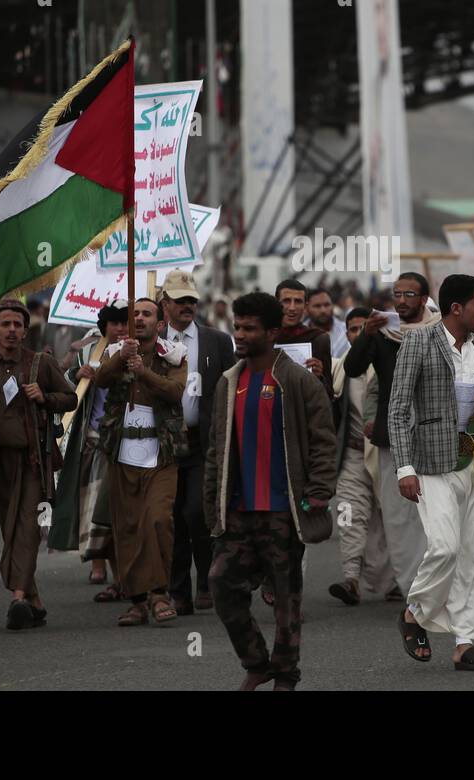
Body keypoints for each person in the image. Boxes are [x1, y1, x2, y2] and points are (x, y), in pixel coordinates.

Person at [205, 291, 337, 690]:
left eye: (249, 328)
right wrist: (212, 502)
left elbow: (323, 441)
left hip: (284, 509)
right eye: (237, 327)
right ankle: (256, 663)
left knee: (285, 599)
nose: (240, 335)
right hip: (240, 509)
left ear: (272, 332)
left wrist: (317, 492)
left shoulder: (297, 380)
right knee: (221, 583)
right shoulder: (230, 382)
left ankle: (285, 674)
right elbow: (216, 449)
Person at [391, 274, 474, 672]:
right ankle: (415, 612)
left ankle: (465, 643)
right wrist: (404, 467)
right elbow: (399, 409)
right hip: (430, 463)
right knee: (445, 548)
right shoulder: (419, 341)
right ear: (457, 308)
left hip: (473, 461)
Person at [0, 299, 77, 630]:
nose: (11, 330)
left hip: (34, 461)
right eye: (5, 324)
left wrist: (44, 396)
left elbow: (70, 398)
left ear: (26, 330)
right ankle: (34, 601)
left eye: (17, 325)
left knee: (28, 526)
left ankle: (18, 598)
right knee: (11, 531)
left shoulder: (41, 364)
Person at [343, 272, 438, 594]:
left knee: (434, 514)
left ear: (424, 299)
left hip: (432, 436)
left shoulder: (438, 332)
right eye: (397, 294)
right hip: (391, 436)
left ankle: (434, 582)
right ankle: (411, 588)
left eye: (409, 294)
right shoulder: (384, 334)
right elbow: (353, 369)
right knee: (397, 517)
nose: (401, 300)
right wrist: (366, 336)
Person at [94, 297, 187, 626]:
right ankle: (137, 600)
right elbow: (100, 379)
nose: (141, 318)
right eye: (135, 314)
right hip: (123, 453)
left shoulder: (174, 354)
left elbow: (176, 392)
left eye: (148, 314)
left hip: (161, 453)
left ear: (160, 323)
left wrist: (143, 373)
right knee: (128, 525)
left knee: (158, 519)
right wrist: (123, 357)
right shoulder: (115, 352)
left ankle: (160, 593)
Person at [159, 270, 235, 616]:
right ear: (166, 304)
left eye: (191, 300)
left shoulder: (217, 341)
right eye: (180, 300)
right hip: (163, 444)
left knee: (198, 513)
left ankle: (206, 581)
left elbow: (232, 386)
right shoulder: (152, 340)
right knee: (171, 517)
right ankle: (178, 592)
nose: (187, 306)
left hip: (204, 442)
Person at [48, 301, 128, 595]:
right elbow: (67, 390)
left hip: (126, 442)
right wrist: (76, 376)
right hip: (92, 441)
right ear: (105, 325)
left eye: (125, 322)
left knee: (116, 511)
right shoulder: (88, 352)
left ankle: (122, 577)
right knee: (93, 508)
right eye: (115, 323)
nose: (120, 329)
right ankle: (100, 566)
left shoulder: (136, 354)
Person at [328, 307, 397, 605]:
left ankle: (392, 581)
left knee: (387, 519)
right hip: (352, 455)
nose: (358, 334)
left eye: (363, 328)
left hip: (385, 453)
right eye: (353, 330)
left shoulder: (386, 364)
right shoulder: (340, 368)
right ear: (346, 334)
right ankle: (351, 579)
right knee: (349, 515)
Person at [273, 279, 333, 401]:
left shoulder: (318, 339)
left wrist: (319, 377)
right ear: (276, 303)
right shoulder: (266, 338)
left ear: (305, 307)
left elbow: (328, 395)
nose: (292, 307)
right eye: (286, 301)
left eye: (298, 301)